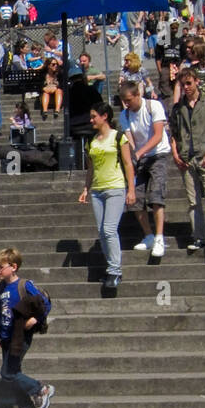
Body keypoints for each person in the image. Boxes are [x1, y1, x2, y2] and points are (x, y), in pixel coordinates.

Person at [0, 248, 54, 408]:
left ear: (13, 267)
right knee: (11, 376)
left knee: (7, 373)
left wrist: (35, 319)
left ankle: (41, 389)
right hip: (5, 337)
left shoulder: (25, 285)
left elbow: (45, 303)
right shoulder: (1, 287)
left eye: (0, 267)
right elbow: (1, 313)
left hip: (20, 336)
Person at [78, 105, 136, 292]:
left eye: (94, 116)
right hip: (97, 190)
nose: (91, 120)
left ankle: (114, 270)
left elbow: (128, 163)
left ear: (105, 117)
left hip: (115, 188)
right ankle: (111, 267)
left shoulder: (119, 137)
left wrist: (131, 189)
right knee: (102, 232)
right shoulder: (91, 141)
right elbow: (91, 168)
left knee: (110, 229)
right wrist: (86, 188)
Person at [170, 68, 205, 255]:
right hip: (187, 158)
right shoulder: (178, 108)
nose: (186, 87)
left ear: (196, 82)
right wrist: (175, 154)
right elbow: (174, 134)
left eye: (189, 83)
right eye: (183, 84)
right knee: (193, 201)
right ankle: (199, 237)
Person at [119, 78, 170, 258]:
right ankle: (148, 235)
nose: (126, 104)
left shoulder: (153, 106)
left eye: (129, 100)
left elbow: (158, 135)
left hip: (158, 154)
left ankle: (159, 237)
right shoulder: (124, 115)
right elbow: (129, 137)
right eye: (124, 100)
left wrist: (140, 152)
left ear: (137, 95)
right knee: (136, 198)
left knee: (156, 195)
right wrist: (134, 155)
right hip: (140, 157)